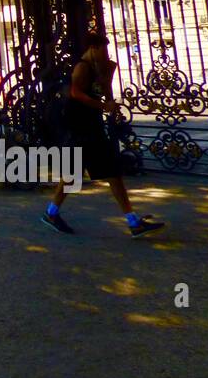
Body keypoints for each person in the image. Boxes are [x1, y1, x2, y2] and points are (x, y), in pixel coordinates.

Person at [41, 33, 165, 238]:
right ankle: (133, 222)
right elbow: (75, 93)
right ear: (93, 48)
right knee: (109, 173)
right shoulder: (83, 67)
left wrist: (108, 78)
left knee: (82, 174)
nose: (105, 53)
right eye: (102, 48)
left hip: (90, 126)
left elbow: (102, 91)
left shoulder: (99, 67)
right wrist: (103, 105)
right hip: (83, 127)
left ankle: (51, 213)